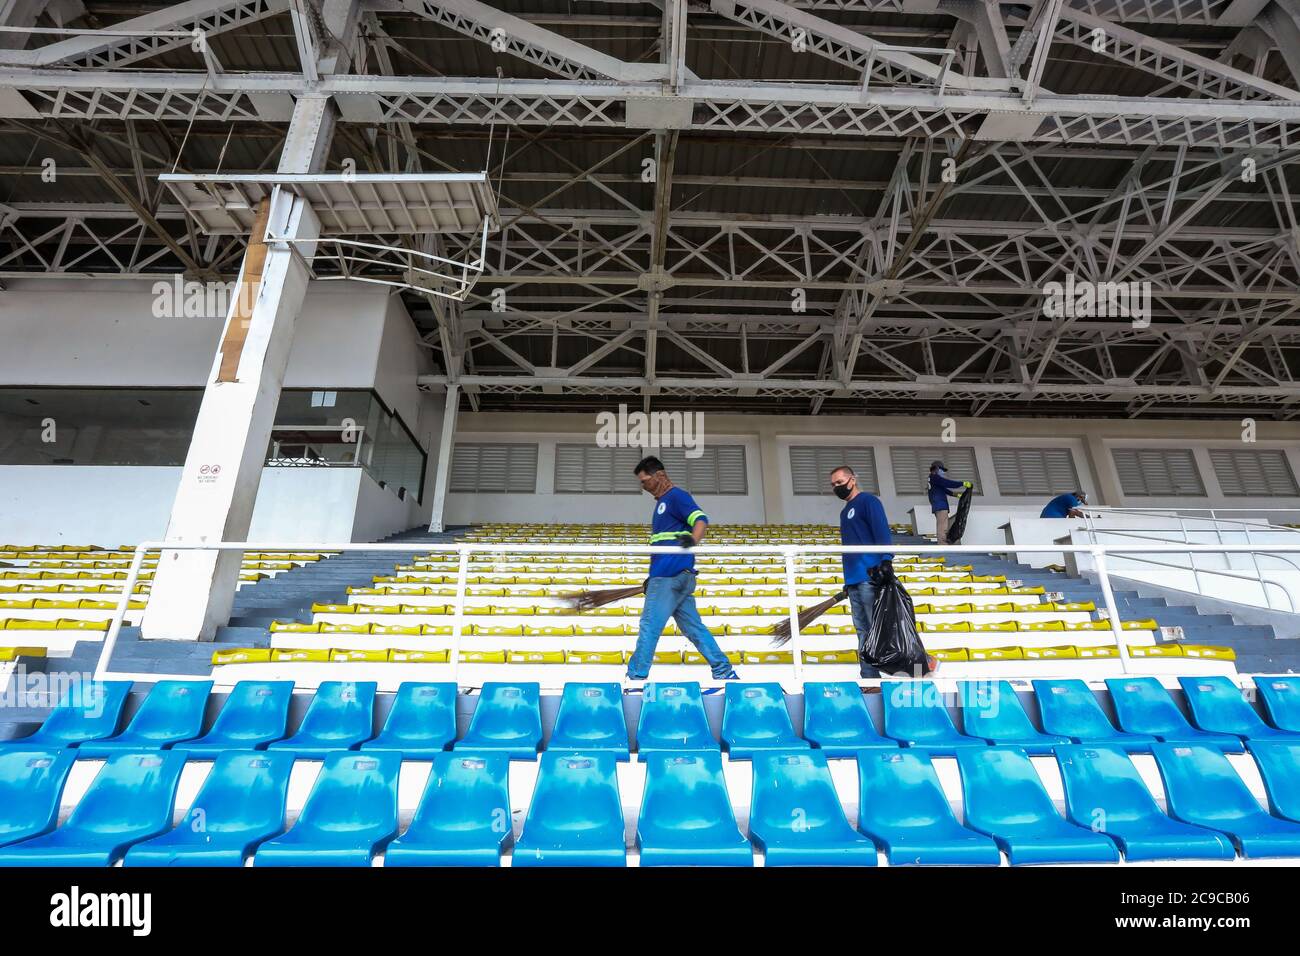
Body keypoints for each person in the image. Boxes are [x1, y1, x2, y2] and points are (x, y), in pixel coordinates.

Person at [625, 455, 739, 684]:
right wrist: (651, 577)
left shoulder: (676, 496)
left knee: (649, 626)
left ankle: (636, 678)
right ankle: (724, 672)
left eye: (645, 480)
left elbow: (701, 519)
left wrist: (693, 540)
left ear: (660, 476)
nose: (643, 486)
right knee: (693, 627)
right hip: (676, 577)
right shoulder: (662, 503)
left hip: (668, 577)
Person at [832, 465, 936, 678]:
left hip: (869, 576)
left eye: (840, 483)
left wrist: (886, 559)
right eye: (833, 485)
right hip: (854, 580)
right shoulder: (844, 512)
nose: (837, 487)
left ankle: (920, 663)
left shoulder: (869, 502)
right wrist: (848, 581)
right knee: (863, 631)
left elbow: (880, 530)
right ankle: (869, 678)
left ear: (853, 479)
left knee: (880, 628)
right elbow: (849, 549)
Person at [928, 459, 971, 545]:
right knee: (942, 526)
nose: (943, 472)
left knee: (942, 524)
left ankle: (942, 542)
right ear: (936, 469)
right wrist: (962, 483)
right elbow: (947, 483)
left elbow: (943, 489)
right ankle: (942, 544)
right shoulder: (935, 477)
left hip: (938, 505)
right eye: (942, 470)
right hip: (940, 505)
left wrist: (956, 495)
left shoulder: (932, 479)